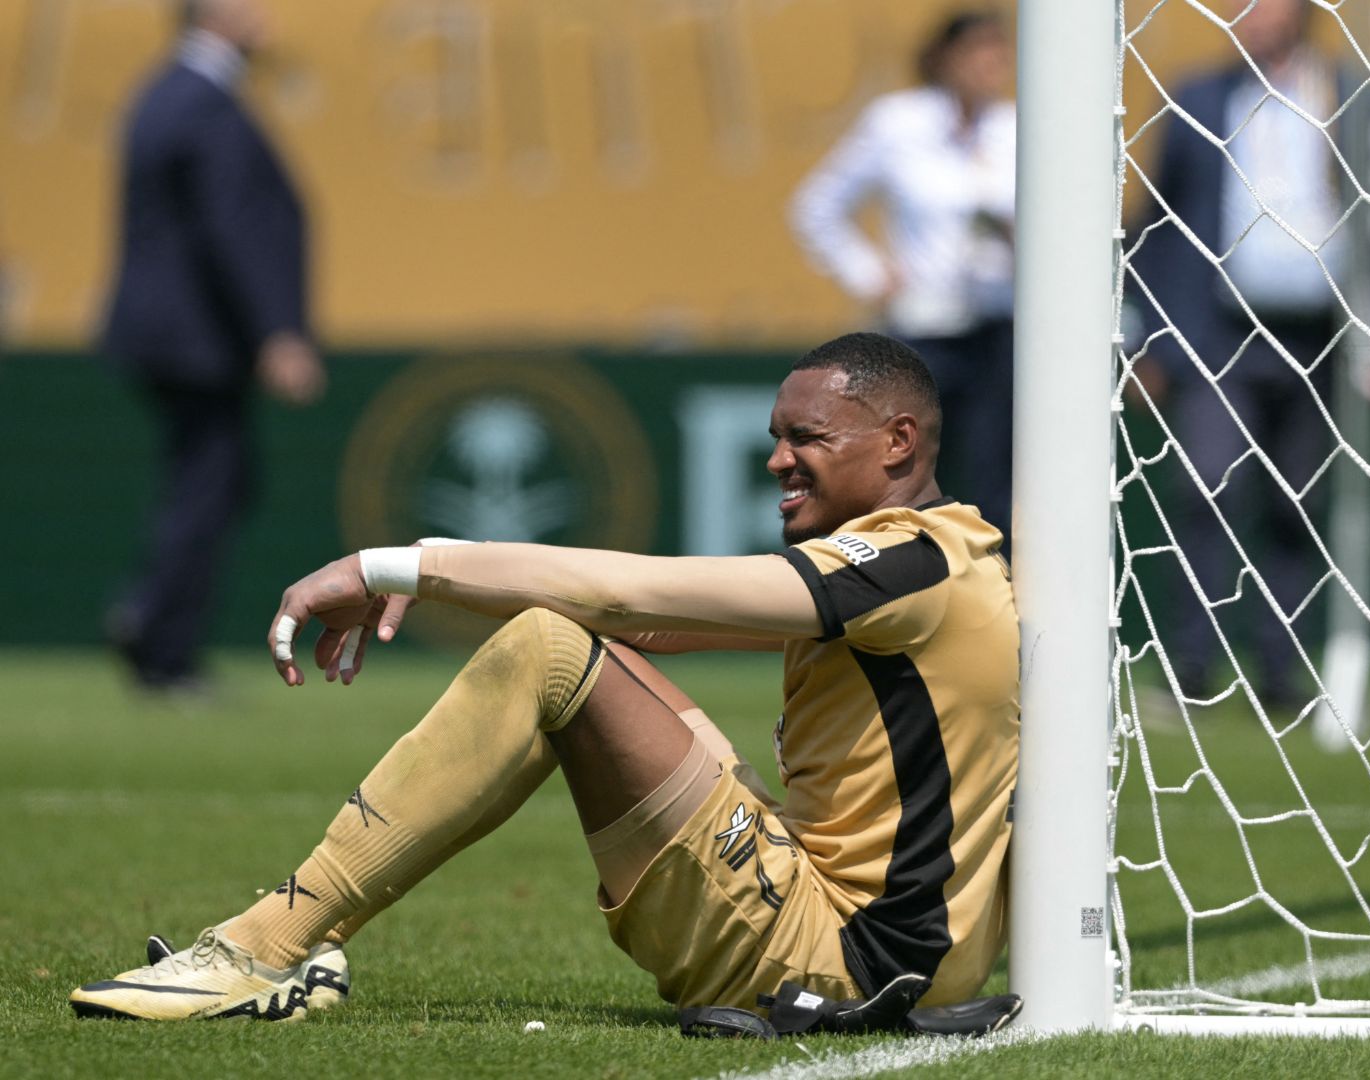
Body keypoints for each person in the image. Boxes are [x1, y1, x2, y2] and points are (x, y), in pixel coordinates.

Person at [69, 333, 1020, 1026]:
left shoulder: (911, 566)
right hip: (906, 959)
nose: (776, 459)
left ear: (897, 441)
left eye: (806, 437)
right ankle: (284, 950)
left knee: (545, 649)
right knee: (565, 639)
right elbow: (637, 618)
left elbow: (621, 588)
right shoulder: (949, 562)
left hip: (847, 963)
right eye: (776, 435)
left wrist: (392, 565)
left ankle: (259, 949)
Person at [1129, 0, 1370, 704]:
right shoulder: (1198, 96)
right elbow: (1159, 220)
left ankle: (1280, 671)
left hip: (1316, 334)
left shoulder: (1349, 95)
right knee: (1209, 488)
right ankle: (1191, 667)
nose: (1244, 14)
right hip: (1220, 333)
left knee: (1297, 504)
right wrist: (1146, 334)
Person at [100, 0, 324, 693]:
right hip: (194, 335)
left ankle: (152, 619)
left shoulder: (169, 91)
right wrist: (277, 331)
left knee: (215, 481)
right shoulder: (201, 100)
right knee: (210, 482)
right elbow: (234, 226)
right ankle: (161, 646)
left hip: (175, 330)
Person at [790, 11, 1016, 538]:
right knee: (901, 472)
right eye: (978, 51)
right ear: (946, 58)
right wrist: (869, 273)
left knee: (995, 475)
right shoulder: (898, 123)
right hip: (921, 331)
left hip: (999, 328)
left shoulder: (1016, 129)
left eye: (998, 52)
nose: (990, 65)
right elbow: (817, 206)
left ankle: (992, 597)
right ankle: (889, 590)